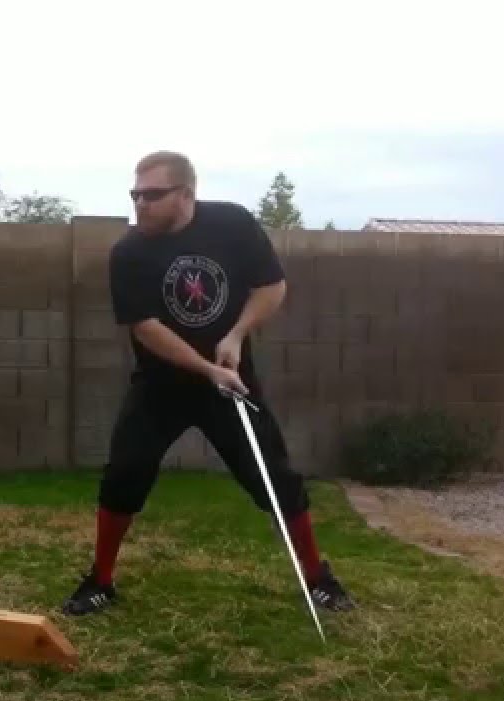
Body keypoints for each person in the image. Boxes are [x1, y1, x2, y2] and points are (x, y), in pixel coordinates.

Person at [60, 151, 356, 617]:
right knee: (125, 473)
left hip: (232, 381)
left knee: (275, 478)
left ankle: (317, 577)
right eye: (135, 194)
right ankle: (99, 580)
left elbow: (271, 287)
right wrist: (206, 369)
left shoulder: (232, 225)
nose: (140, 203)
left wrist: (236, 335)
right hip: (161, 386)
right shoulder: (130, 252)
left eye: (152, 195)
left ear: (186, 194)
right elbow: (145, 327)